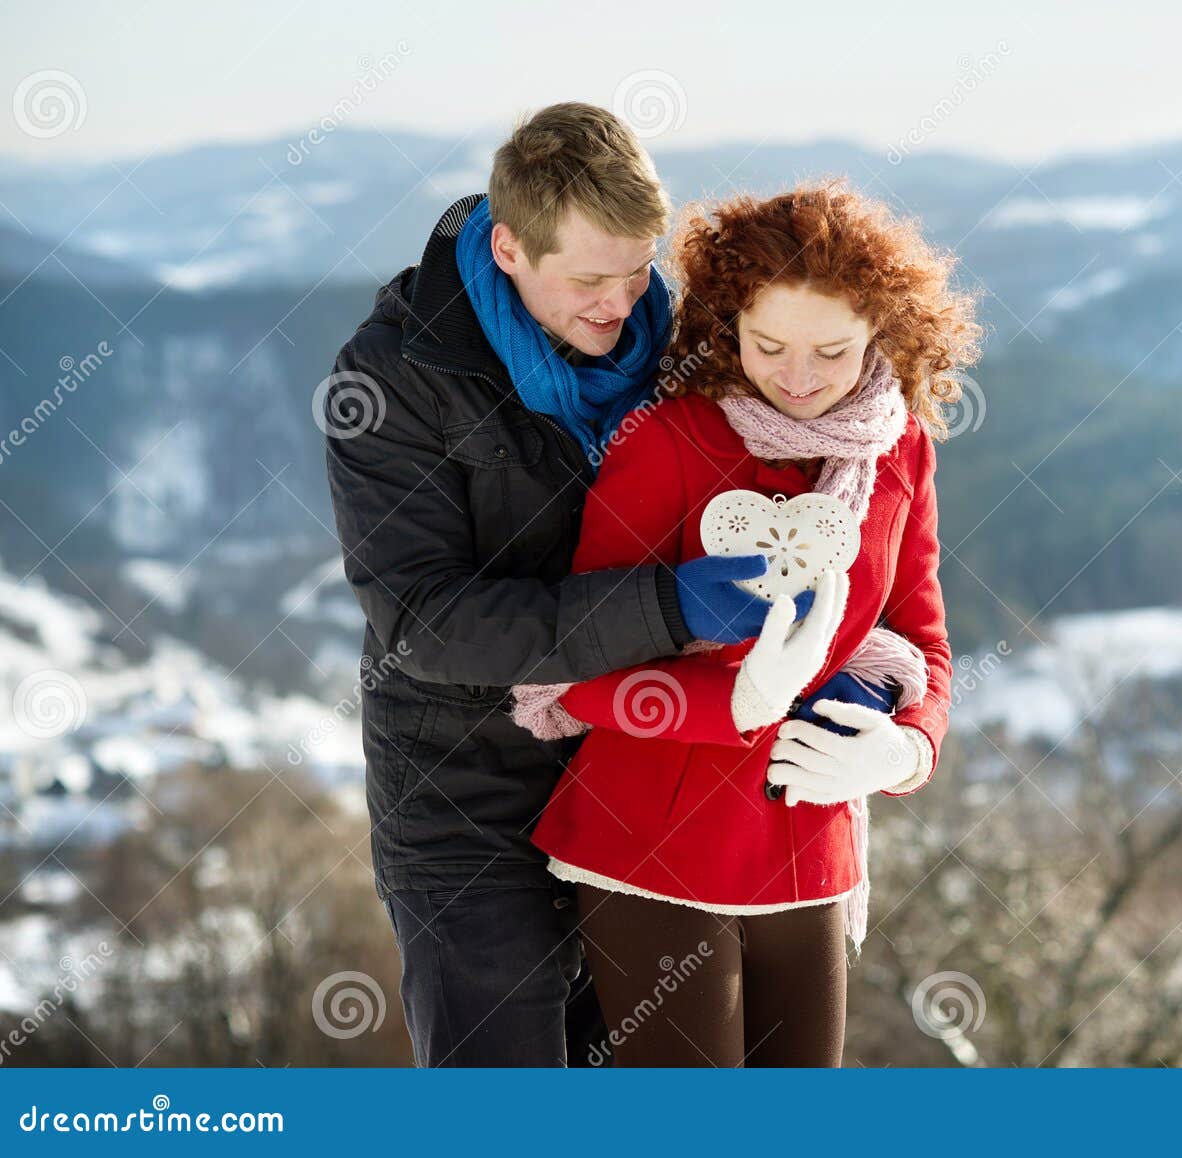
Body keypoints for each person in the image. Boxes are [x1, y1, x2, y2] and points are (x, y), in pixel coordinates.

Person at [321, 103, 815, 1066]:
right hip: (463, 788)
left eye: (638, 273)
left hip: (633, 770)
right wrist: (669, 605)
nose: (619, 306)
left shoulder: (680, 351)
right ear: (508, 248)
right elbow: (425, 621)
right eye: (588, 281)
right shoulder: (396, 377)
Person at [509, 182, 982, 1065]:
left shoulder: (901, 449)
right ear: (729, 326)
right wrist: (735, 701)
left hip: (810, 836)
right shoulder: (669, 440)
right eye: (768, 346)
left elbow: (922, 637)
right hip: (652, 842)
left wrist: (906, 751)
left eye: (831, 351)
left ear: (882, 332)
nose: (797, 377)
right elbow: (572, 666)